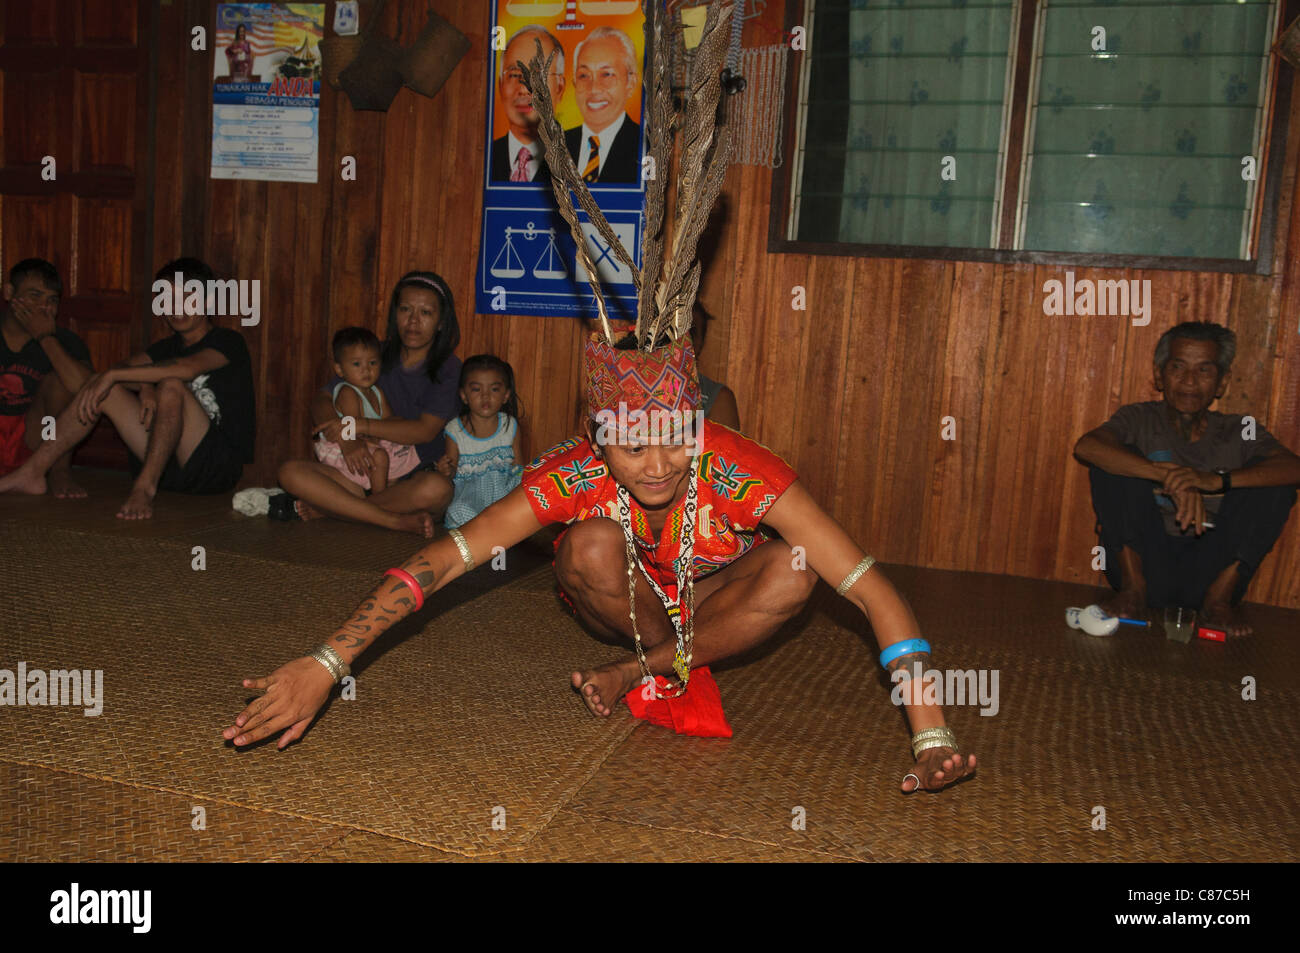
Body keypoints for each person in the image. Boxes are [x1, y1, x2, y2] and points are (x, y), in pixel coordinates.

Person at [224, 8, 974, 795]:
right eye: (630, 445)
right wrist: (325, 661)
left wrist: (932, 733)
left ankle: (639, 671)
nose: (655, 465)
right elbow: (442, 560)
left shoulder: (742, 467)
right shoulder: (577, 473)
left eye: (675, 439)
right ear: (595, 435)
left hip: (708, 599)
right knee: (582, 544)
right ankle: (644, 655)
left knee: (797, 567)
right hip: (624, 595)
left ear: (699, 421)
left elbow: (875, 591)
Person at [1073, 321, 1300, 636]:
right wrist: (1170, 477)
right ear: (1159, 375)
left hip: (1211, 571)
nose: (1189, 381)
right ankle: (1133, 591)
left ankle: (1218, 603)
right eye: (1178, 367)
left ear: (1222, 383)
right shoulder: (1138, 418)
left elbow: (1293, 467)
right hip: (1143, 564)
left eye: (1205, 371)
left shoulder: (1241, 430)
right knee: (1113, 462)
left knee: (1274, 482)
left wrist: (1214, 481)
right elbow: (1088, 447)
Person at [0, 257, 255, 519]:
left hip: (214, 469)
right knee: (104, 388)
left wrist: (119, 375)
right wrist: (143, 384)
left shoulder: (228, 342)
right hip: (167, 465)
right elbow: (118, 369)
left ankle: (143, 489)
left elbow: (187, 368)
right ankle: (32, 472)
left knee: (169, 385)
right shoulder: (162, 349)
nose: (175, 307)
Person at [276, 271, 461, 536]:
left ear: (441, 322)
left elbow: (424, 431)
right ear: (394, 314)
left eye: (426, 313)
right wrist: (346, 440)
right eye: (405, 309)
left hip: (410, 479)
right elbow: (322, 399)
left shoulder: (448, 368)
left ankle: (334, 511)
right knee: (289, 472)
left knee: (438, 489)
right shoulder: (374, 354)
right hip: (357, 472)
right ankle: (389, 519)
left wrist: (357, 426)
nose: (413, 321)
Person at [0, 258, 94, 498]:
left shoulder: (64, 341)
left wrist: (45, 338)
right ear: (9, 292)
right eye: (34, 296)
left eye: (51, 300)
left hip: (38, 436)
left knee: (61, 384)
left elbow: (88, 391)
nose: (43, 307)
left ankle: (57, 472)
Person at [311, 327, 420, 494]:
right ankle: (379, 500)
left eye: (373, 363)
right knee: (381, 457)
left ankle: (383, 491)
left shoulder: (377, 392)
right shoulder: (347, 392)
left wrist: (395, 425)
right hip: (345, 445)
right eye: (356, 364)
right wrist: (376, 434)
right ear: (339, 369)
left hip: (369, 439)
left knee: (405, 447)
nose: (366, 369)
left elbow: (388, 421)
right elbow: (352, 428)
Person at [436, 354, 523, 528]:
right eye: (476, 389)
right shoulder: (455, 429)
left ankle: (500, 528)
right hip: (470, 496)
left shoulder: (509, 425)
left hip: (504, 495)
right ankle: (487, 531)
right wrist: (446, 470)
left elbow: (519, 467)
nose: (485, 396)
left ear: (506, 395)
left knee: (525, 499)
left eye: (494, 390)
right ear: (464, 395)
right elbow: (451, 472)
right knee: (458, 510)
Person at [563, 27, 642, 185]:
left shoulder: (646, 146)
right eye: (584, 76)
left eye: (606, 74)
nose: (594, 88)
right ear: (574, 84)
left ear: (631, 83)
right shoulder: (556, 146)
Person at [490, 26, 566, 184]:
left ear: (559, 87)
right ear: (500, 85)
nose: (524, 89)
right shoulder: (485, 156)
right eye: (514, 75)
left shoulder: (581, 160)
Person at [691, 303, 740, 430]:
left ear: (700, 343)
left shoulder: (717, 398)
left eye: (691, 333)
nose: (683, 342)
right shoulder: (637, 388)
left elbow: (726, 449)